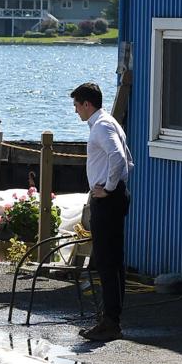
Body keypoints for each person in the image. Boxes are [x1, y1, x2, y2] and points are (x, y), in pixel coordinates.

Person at [72, 82, 133, 342]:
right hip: (114, 196)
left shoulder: (101, 126)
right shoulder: (108, 122)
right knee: (112, 260)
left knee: (107, 261)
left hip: (108, 199)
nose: (75, 110)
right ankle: (111, 317)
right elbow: (128, 160)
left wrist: (108, 188)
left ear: (87, 104)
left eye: (77, 105)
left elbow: (118, 158)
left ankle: (110, 322)